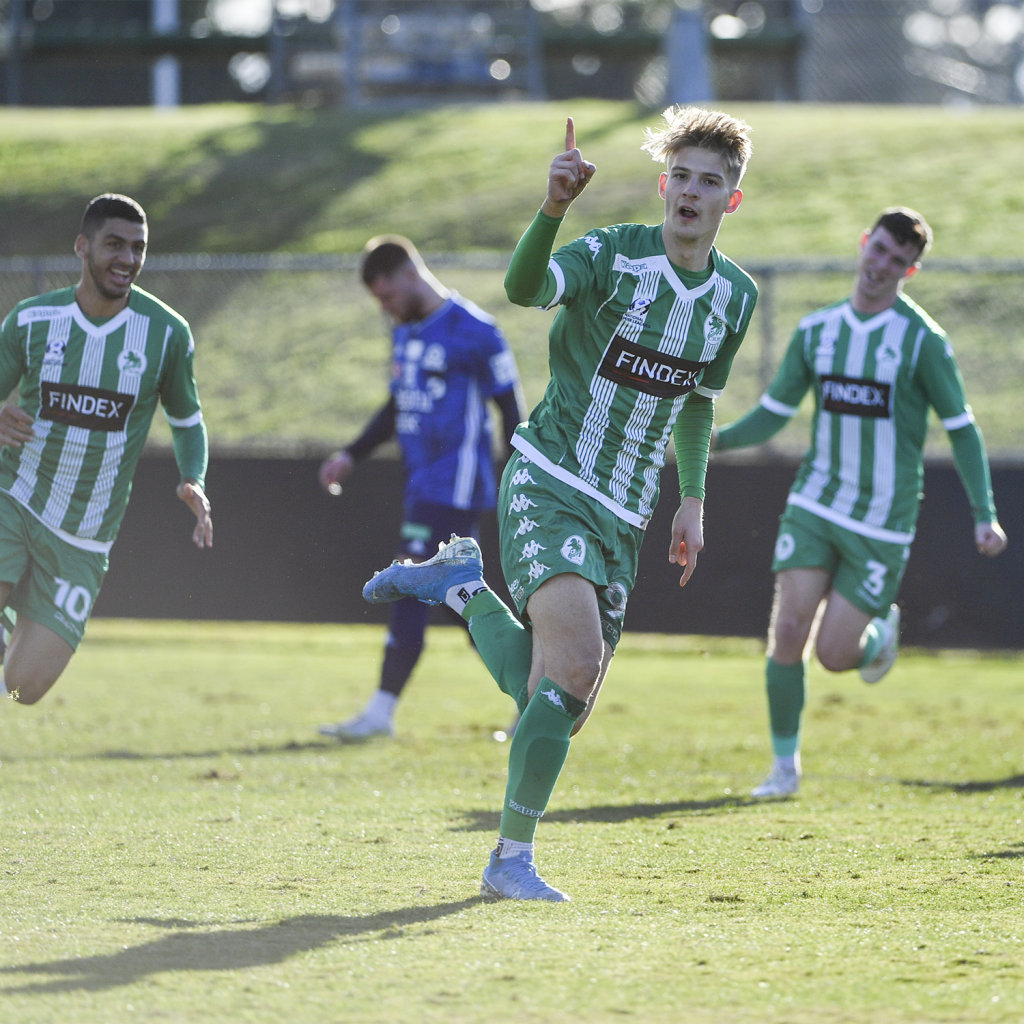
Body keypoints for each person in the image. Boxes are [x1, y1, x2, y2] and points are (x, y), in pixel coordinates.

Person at [363, 108, 758, 900]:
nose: (691, 191)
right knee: (574, 667)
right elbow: (523, 288)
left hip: (627, 513)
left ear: (730, 202)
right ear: (663, 183)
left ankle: (460, 588)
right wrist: (553, 208)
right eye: (680, 175)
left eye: (709, 181)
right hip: (550, 479)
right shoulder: (614, 254)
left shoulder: (735, 298)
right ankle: (510, 862)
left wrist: (693, 501)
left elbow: (697, 402)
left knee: (556, 700)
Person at [713, 207, 1007, 798]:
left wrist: (985, 513)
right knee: (789, 631)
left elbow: (962, 427)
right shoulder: (817, 331)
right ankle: (783, 769)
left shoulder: (922, 341)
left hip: (881, 522)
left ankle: (878, 636)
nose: (882, 267)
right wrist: (712, 441)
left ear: (911, 271)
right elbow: (775, 412)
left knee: (834, 655)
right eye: (878, 251)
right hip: (816, 504)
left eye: (898, 262)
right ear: (862, 245)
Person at [0, 193, 212, 706]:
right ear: (82, 247)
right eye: (114, 244)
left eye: (138, 248)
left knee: (24, 686)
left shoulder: (166, 334)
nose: (127, 258)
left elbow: (187, 421)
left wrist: (193, 478)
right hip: (15, 496)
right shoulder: (30, 321)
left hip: (86, 534)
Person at [317, 235, 524, 740]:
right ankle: (533, 692)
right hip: (422, 483)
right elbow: (396, 407)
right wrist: (352, 453)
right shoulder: (406, 332)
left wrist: (520, 477)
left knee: (410, 588)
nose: (386, 308)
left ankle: (381, 713)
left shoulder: (475, 330)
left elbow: (512, 409)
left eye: (387, 296)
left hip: (453, 487)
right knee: (460, 600)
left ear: (410, 273)